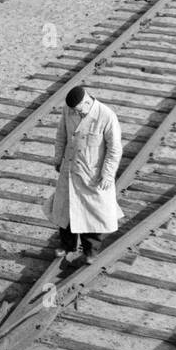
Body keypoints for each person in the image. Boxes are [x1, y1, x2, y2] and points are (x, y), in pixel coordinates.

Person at [47, 84, 122, 265]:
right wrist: (58, 159)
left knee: (93, 214)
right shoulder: (68, 111)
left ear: (87, 103)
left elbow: (115, 149)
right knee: (66, 211)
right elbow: (61, 136)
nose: (75, 113)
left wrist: (108, 175)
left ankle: (90, 252)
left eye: (78, 110)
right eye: (72, 110)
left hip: (93, 175)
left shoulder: (106, 116)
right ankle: (67, 246)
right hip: (70, 170)